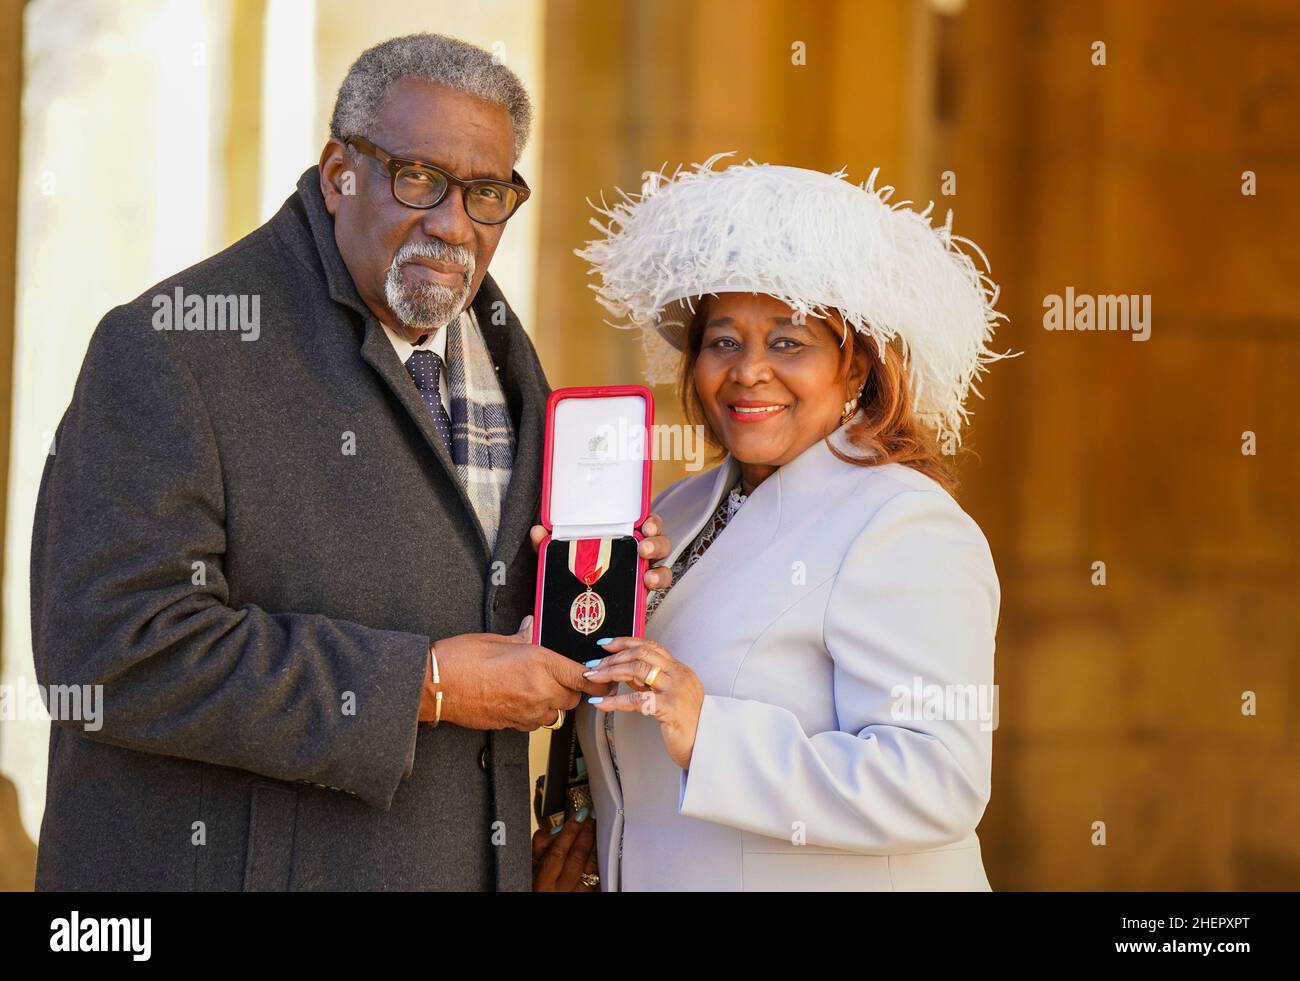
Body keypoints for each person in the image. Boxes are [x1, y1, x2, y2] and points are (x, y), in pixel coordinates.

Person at [29, 32, 672, 891]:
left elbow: (481, 598)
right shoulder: (171, 348)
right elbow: (112, 655)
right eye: (418, 179)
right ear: (340, 172)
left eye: (486, 193)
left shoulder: (501, 358)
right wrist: (428, 683)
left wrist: (602, 581)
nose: (453, 223)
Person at [570, 153, 1019, 890]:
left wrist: (710, 731)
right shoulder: (673, 512)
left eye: (788, 342)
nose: (748, 370)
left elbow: (939, 780)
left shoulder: (905, 525)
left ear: (857, 370)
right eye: (723, 340)